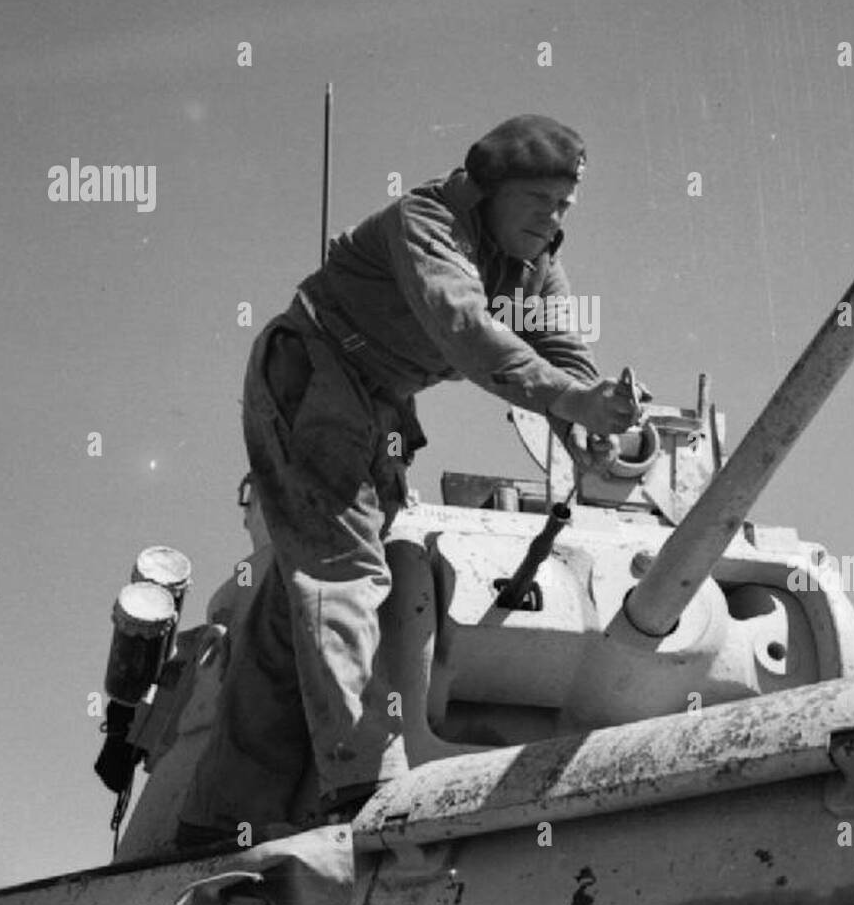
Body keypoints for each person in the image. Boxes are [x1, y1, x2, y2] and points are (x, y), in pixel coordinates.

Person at [176, 114, 641, 848]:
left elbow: (557, 346)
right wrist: (567, 399)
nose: (552, 222)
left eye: (563, 207)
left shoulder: (532, 259)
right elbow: (462, 327)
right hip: (316, 371)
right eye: (539, 202)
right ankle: (363, 784)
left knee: (287, 609)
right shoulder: (426, 220)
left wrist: (597, 419)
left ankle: (221, 812)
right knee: (345, 574)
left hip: (376, 397)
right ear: (489, 191)